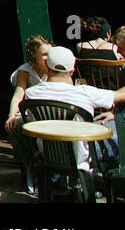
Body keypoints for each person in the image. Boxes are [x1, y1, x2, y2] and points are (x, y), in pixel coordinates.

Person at [23, 46, 125, 176]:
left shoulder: (31, 94)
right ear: (72, 71)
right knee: (116, 125)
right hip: (83, 158)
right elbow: (121, 96)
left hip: (49, 155)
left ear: (47, 68)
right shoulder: (85, 92)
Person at [6, 34, 51, 132]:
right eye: (45, 54)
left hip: (50, 108)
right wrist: (12, 115)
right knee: (15, 125)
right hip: (33, 109)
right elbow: (18, 96)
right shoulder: (25, 71)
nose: (48, 58)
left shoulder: (53, 67)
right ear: (33, 54)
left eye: (50, 54)